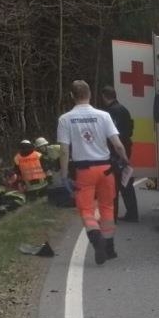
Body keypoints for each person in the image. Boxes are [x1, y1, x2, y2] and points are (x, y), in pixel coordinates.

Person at [57, 80, 130, 265]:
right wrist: (125, 160)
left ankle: (96, 238)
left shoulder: (65, 119)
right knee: (107, 208)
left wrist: (64, 175)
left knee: (86, 209)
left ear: (72, 96)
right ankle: (110, 248)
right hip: (106, 170)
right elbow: (118, 145)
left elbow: (64, 150)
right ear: (89, 94)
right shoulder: (103, 116)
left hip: (84, 171)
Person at [100, 85, 138, 222]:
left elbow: (111, 134)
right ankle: (132, 213)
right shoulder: (124, 110)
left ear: (104, 97)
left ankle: (112, 216)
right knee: (126, 182)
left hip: (115, 151)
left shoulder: (109, 112)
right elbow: (129, 130)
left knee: (113, 183)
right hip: (126, 147)